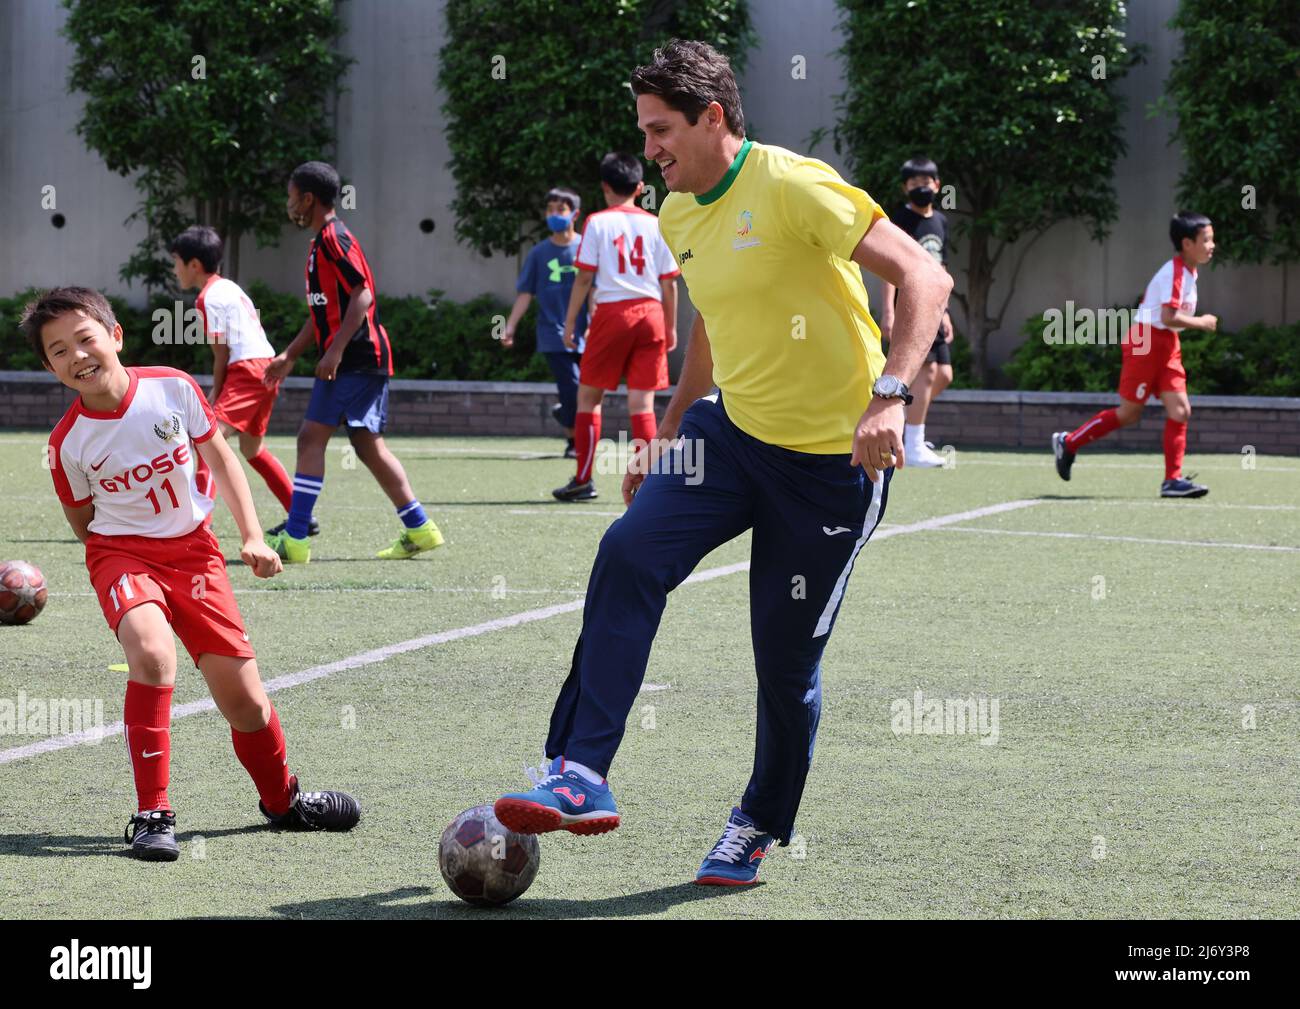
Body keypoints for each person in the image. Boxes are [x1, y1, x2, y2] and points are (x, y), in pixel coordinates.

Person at [493, 40, 950, 886]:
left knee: (783, 666)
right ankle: (580, 771)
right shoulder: (678, 211)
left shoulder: (793, 184)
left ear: (713, 118)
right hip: (729, 438)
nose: (649, 148)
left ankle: (759, 820)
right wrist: (668, 430)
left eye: (661, 129)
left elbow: (926, 275)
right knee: (627, 552)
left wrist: (890, 394)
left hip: (830, 467)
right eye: (643, 130)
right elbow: (710, 323)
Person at [25, 287, 360, 862]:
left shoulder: (171, 388)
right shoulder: (66, 444)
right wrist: (125, 552)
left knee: (246, 704)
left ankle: (284, 802)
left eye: (85, 339)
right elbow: (85, 526)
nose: (77, 355)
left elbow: (223, 460)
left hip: (197, 556)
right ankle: (152, 813)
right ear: (50, 367)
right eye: (59, 351)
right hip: (121, 555)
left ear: (115, 337)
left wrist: (252, 535)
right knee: (153, 654)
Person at [263, 161, 443, 561]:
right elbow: (322, 314)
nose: (289, 204)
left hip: (356, 359)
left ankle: (294, 539)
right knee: (367, 446)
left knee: (311, 437)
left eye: (292, 196)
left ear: (308, 198)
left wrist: (336, 350)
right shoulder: (320, 243)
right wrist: (290, 355)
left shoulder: (334, 238)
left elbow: (363, 294)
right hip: (358, 358)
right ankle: (421, 527)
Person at [1053, 211, 1217, 498]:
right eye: (1206, 239)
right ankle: (1069, 443)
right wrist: (1202, 322)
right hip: (1146, 341)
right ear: (1187, 243)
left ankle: (1172, 481)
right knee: (1129, 414)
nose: (1212, 245)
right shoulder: (1176, 272)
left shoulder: (1190, 271)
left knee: (1181, 411)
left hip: (1167, 344)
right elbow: (1167, 316)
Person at [551, 152, 680, 502]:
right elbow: (669, 283)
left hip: (612, 314)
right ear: (640, 187)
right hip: (651, 313)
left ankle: (582, 479)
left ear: (605, 186)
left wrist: (570, 323)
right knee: (642, 404)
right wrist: (670, 327)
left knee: (589, 399)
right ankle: (651, 484)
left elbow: (584, 279)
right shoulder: (656, 223)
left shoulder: (597, 222)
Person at [169, 225, 294, 515]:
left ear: (194, 265)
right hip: (266, 366)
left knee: (207, 440)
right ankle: (300, 515)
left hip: (247, 369)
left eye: (176, 262)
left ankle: (200, 522)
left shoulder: (206, 298)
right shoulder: (230, 287)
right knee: (252, 450)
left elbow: (221, 355)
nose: (175, 270)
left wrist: (214, 394)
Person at [502, 188, 589, 459]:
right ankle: (574, 443)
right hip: (552, 333)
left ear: (574, 214)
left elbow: (598, 289)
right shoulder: (539, 253)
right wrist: (510, 327)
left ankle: (566, 416)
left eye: (559, 210)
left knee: (584, 391)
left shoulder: (587, 247)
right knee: (572, 386)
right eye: (549, 209)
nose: (553, 215)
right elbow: (525, 293)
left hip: (587, 333)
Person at [880, 156, 952, 468]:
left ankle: (908, 431)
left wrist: (945, 311)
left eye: (925, 183)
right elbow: (887, 268)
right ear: (904, 188)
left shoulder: (941, 221)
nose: (920, 188)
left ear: (937, 185)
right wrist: (888, 311)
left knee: (944, 375)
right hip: (912, 304)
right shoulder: (902, 220)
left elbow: (941, 268)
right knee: (928, 372)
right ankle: (914, 443)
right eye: (913, 184)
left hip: (934, 305)